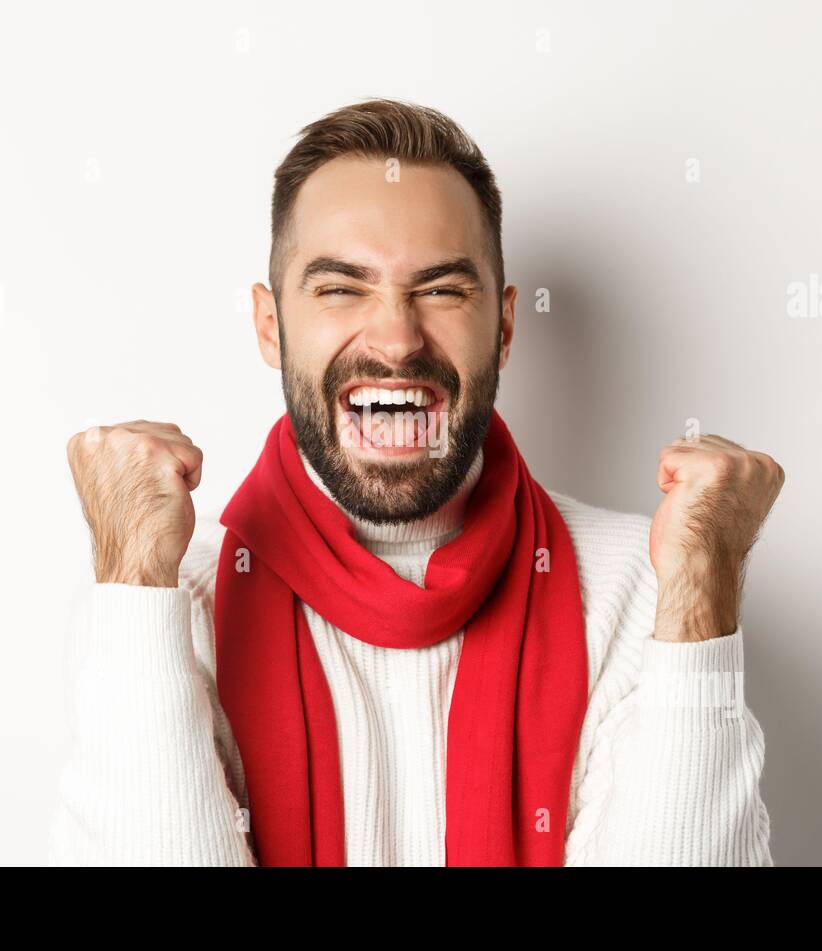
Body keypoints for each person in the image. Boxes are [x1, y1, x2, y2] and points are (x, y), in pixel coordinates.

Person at [50, 98, 785, 867]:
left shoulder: (647, 585)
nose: (397, 339)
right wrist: (132, 580)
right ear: (270, 326)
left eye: (441, 290)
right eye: (340, 288)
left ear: (503, 327)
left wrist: (703, 586)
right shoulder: (169, 596)